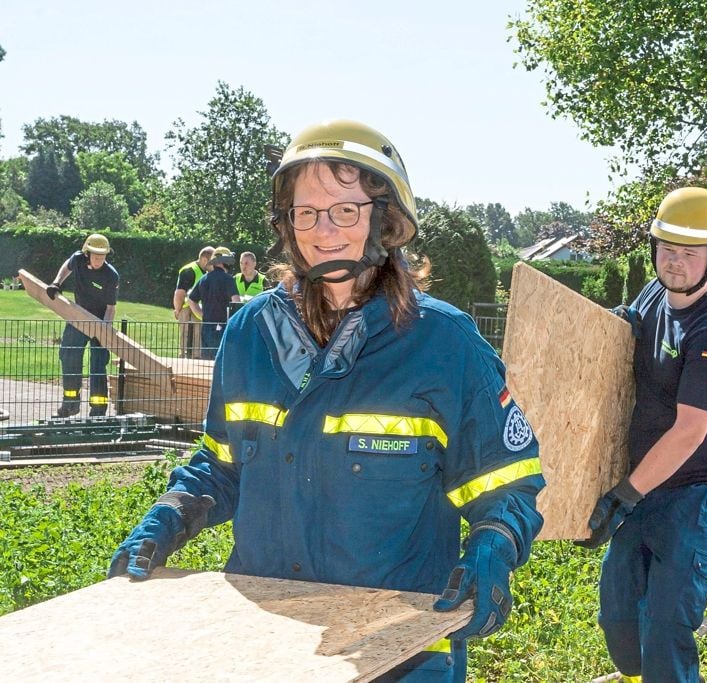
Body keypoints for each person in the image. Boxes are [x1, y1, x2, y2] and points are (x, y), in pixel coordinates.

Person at [107, 119, 545, 682]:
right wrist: (171, 514)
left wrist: (495, 543)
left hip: (401, 650)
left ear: (384, 219)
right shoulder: (249, 335)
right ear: (286, 224)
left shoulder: (445, 344)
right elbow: (221, 464)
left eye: (345, 209)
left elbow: (505, 481)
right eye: (306, 212)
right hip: (265, 641)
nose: (324, 229)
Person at [578, 187, 707, 682]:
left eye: (690, 253)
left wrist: (622, 496)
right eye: (667, 249)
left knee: (665, 626)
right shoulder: (656, 293)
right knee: (618, 615)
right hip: (648, 480)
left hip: (700, 488)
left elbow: (689, 432)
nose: (675, 262)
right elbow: (634, 322)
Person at [46, 234, 120, 417]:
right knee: (69, 356)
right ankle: (70, 405)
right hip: (77, 317)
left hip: (100, 321)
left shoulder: (111, 275)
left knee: (98, 365)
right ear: (87, 253)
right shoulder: (78, 259)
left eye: (102, 256)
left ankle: (98, 410)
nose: (99, 260)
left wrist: (104, 330)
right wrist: (56, 283)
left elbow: (111, 308)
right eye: (96, 256)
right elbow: (67, 266)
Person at [187, 247, 241, 360]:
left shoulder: (204, 279)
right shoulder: (228, 279)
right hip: (222, 327)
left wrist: (202, 316)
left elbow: (191, 300)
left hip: (206, 326)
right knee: (221, 361)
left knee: (207, 362)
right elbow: (236, 302)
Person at [173, 246, 214, 358]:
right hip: (187, 308)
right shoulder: (189, 270)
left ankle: (197, 359)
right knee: (185, 336)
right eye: (212, 262)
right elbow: (180, 292)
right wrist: (178, 310)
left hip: (199, 308)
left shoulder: (207, 272)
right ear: (205, 260)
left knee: (198, 336)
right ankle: (184, 358)